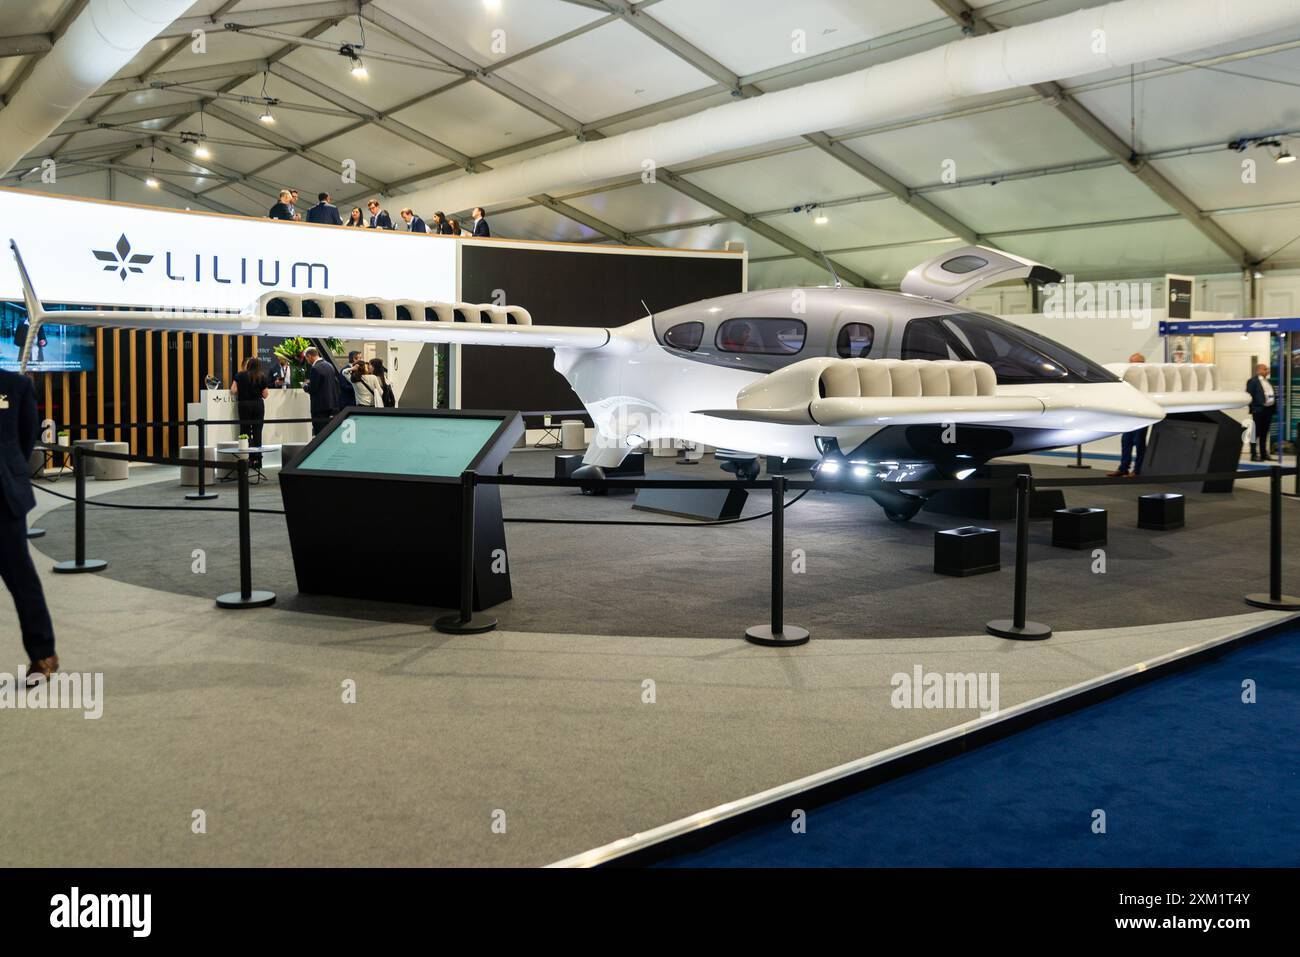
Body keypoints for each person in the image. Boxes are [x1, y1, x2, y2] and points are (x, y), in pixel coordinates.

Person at [0, 367, 58, 684]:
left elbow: (25, 440)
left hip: (4, 499)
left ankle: (43, 654)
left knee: (21, 579)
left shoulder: (16, 386)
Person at [1109, 352, 1149, 477]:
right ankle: (1123, 468)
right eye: (1131, 362)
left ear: (1143, 363)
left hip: (1142, 414)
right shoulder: (1128, 377)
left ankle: (1138, 470)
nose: (1133, 365)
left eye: (1136, 362)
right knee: (1126, 441)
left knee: (1139, 442)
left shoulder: (1147, 377)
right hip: (1130, 414)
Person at [231, 357, 269, 466]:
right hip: (258, 405)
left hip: (244, 405)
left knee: (244, 431)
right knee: (257, 431)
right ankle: (257, 460)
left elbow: (233, 390)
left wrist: (243, 389)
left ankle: (245, 460)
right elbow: (265, 395)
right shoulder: (262, 376)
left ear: (248, 365)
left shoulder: (239, 375)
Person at [303, 347, 340, 435]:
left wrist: (305, 386)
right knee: (329, 433)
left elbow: (313, 389)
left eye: (306, 358)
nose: (307, 361)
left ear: (309, 356)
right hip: (331, 405)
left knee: (319, 433)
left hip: (319, 407)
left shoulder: (315, 368)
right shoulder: (329, 365)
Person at [1246, 362, 1277, 461]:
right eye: (1265, 369)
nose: (1267, 371)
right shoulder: (1252, 381)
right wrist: (1254, 408)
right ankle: (1253, 454)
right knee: (1255, 433)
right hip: (1258, 410)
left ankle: (1263, 454)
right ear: (1258, 370)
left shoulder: (1268, 381)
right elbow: (1249, 396)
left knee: (1264, 433)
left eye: (1267, 369)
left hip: (1268, 410)